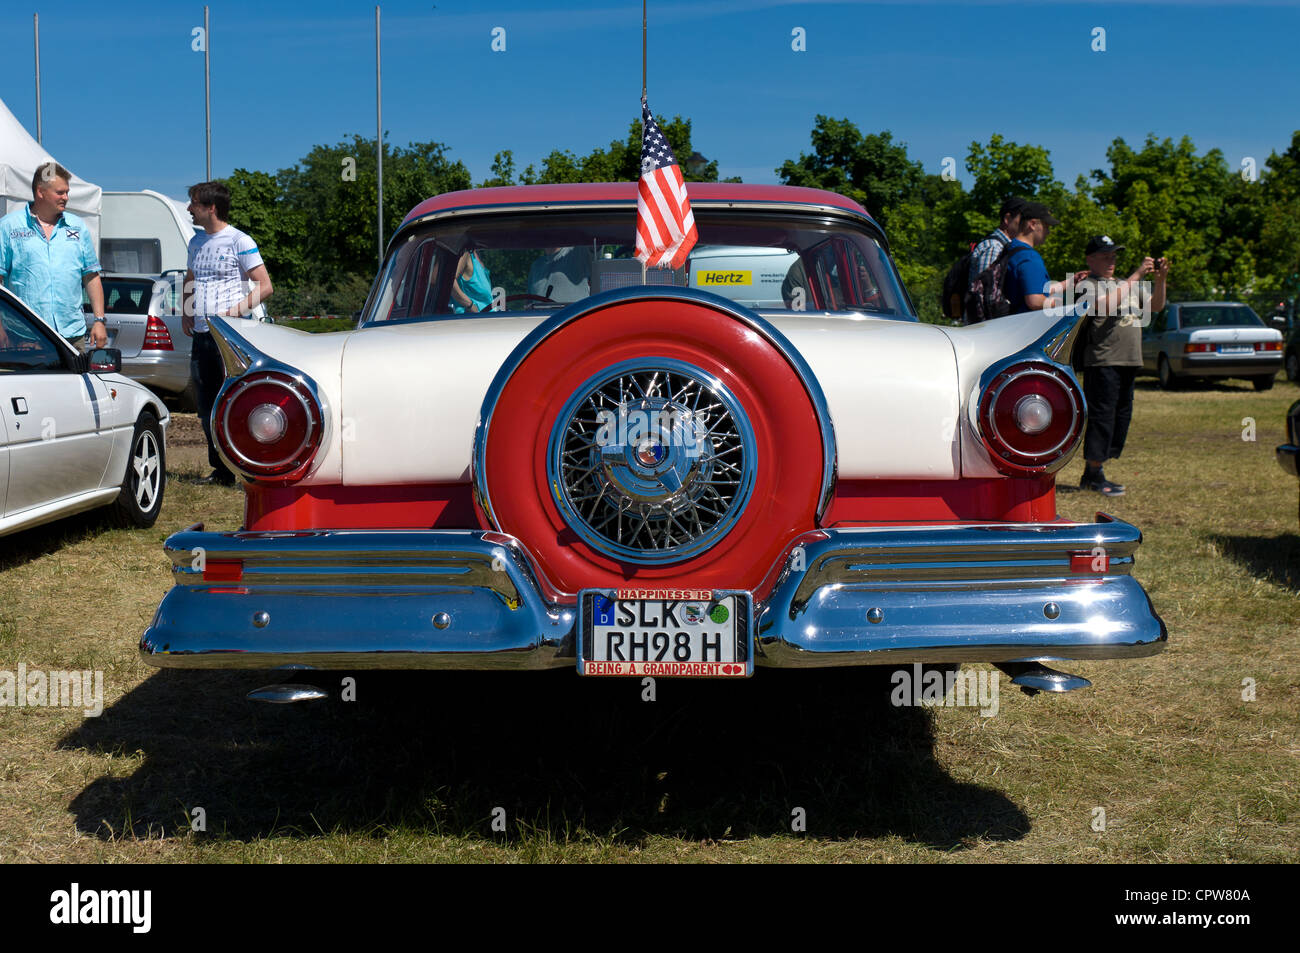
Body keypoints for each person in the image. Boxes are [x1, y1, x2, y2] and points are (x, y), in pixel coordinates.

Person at [181, 180, 274, 486]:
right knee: (206, 404)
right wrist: (186, 311)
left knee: (233, 401)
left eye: (194, 203)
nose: (189, 209)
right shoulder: (196, 242)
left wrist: (233, 312)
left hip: (230, 336)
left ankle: (249, 466)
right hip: (201, 334)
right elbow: (190, 278)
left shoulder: (239, 240)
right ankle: (220, 471)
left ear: (211, 208)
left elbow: (264, 285)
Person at [1076, 235, 1167, 496]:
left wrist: (1160, 280)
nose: (1111, 260)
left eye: (1114, 255)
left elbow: (1155, 306)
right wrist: (1137, 274)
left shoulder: (1123, 284)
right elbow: (1103, 307)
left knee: (1120, 415)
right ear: (1090, 259)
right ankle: (1093, 473)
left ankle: (1096, 471)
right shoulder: (1088, 285)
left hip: (1129, 359)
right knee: (1102, 416)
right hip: (1103, 360)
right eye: (1105, 255)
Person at [0, 161, 107, 352]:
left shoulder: (77, 227)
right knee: (28, 383)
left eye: (67, 192)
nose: (66, 197)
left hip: (72, 336)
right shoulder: (9, 227)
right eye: (60, 192)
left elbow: (91, 276)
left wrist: (99, 320)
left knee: (76, 383)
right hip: (25, 335)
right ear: (41, 192)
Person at [1002, 201, 1074, 314]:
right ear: (1033, 224)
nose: (1048, 232)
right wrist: (1062, 303)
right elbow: (1034, 301)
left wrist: (1069, 283)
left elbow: (1032, 288)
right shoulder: (1029, 257)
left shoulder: (1011, 248)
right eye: (1046, 226)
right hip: (1026, 327)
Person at [968, 196, 1026, 285]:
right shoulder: (994, 248)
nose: (1026, 224)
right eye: (1022, 219)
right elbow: (984, 291)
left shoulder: (1003, 246)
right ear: (1007, 219)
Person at [527, 246, 593, 303]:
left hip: (575, 317)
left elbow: (595, 239)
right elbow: (528, 305)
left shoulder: (580, 252)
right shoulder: (536, 266)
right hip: (538, 317)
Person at [450, 248, 492, 313]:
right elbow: (449, 281)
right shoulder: (466, 254)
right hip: (470, 320)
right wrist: (469, 304)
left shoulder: (478, 258)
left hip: (490, 319)